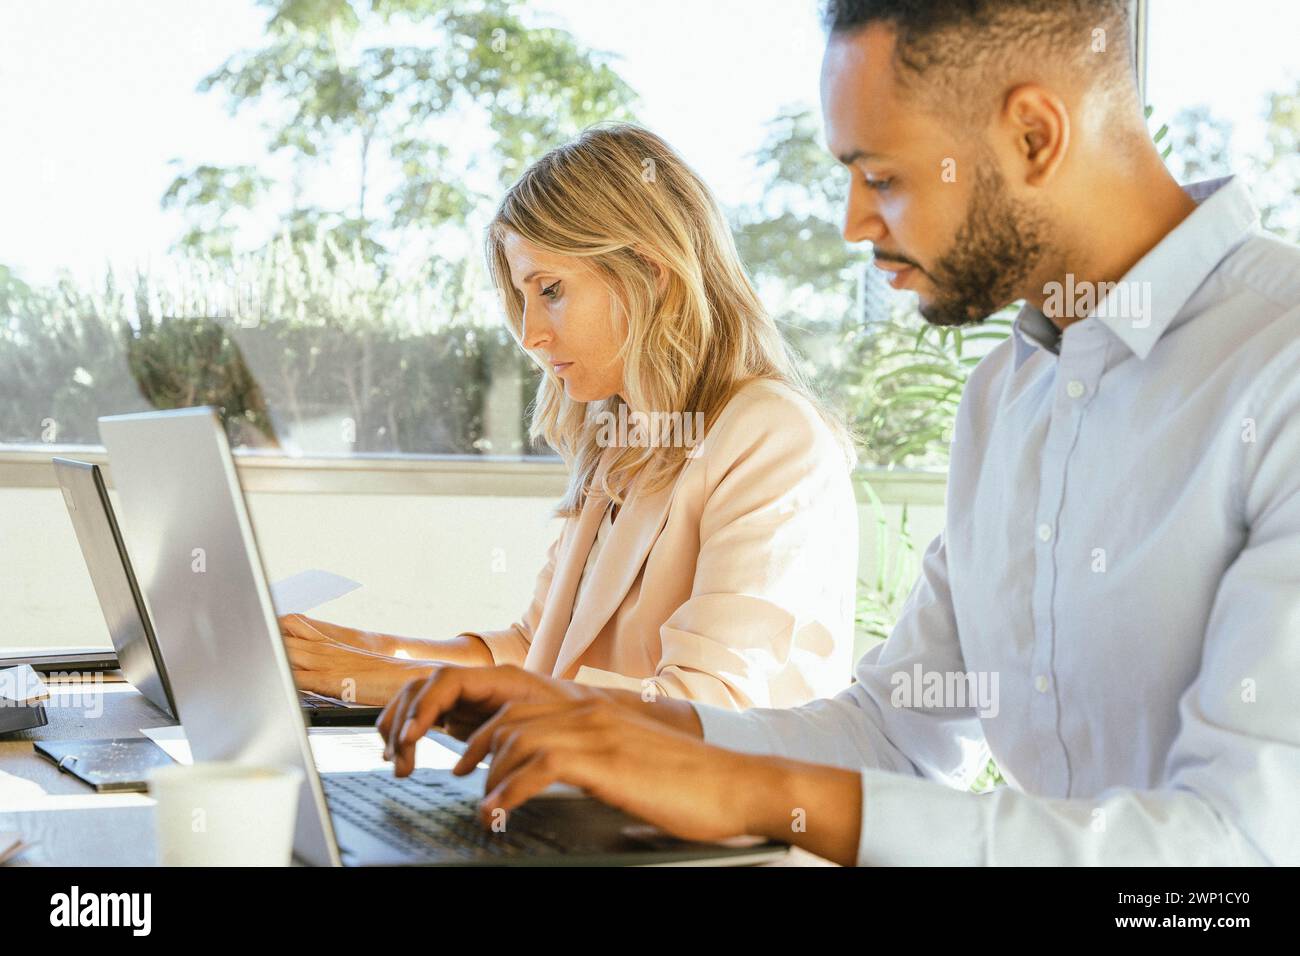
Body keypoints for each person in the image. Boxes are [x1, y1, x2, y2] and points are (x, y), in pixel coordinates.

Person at [378, 0, 1300, 866]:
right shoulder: (1008, 396)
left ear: (1033, 136)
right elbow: (893, 732)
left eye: (883, 177)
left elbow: (1232, 863)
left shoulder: (1279, 367)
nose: (855, 222)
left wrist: (750, 790)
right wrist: (598, 720)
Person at [280, 123, 860, 711]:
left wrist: (406, 684)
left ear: (650, 275)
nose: (530, 334)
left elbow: (703, 707)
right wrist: (352, 653)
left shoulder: (773, 438)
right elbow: (535, 651)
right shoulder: (625, 434)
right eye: (522, 298)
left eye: (551, 289)